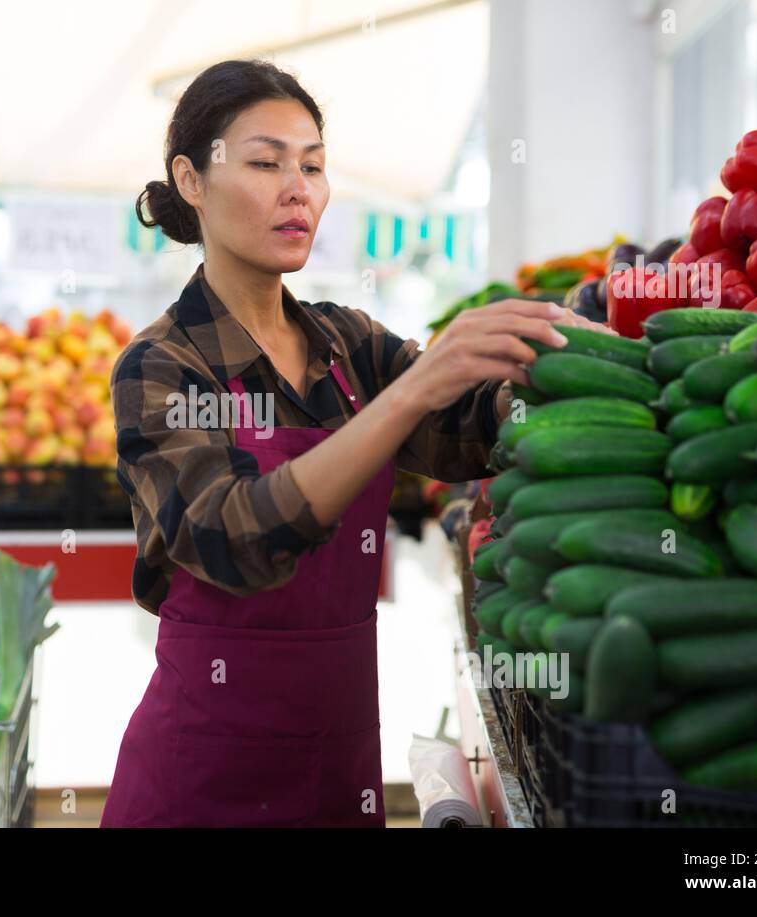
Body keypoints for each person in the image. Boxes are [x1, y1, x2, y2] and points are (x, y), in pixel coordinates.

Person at [100, 60, 611, 828]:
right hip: (203, 775)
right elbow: (233, 535)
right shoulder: (163, 366)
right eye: (266, 162)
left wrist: (559, 369)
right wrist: (411, 390)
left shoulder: (349, 345)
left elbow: (466, 437)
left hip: (338, 765)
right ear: (192, 179)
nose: (297, 187)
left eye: (312, 165)